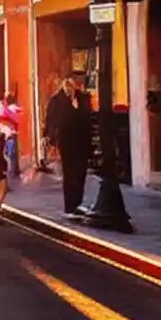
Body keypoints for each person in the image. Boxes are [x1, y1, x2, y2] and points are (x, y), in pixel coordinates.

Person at [44, 77, 93, 218]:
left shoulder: (83, 98)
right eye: (67, 85)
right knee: (69, 172)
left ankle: (78, 201)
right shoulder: (57, 100)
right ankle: (70, 205)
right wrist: (51, 140)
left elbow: (87, 116)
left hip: (82, 141)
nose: (69, 87)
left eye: (72, 85)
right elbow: (52, 120)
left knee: (80, 172)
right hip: (67, 141)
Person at [0, 87, 22, 178]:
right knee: (10, 154)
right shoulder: (1, 107)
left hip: (10, 134)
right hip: (7, 135)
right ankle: (12, 173)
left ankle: (13, 172)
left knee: (12, 154)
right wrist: (8, 122)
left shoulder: (12, 107)